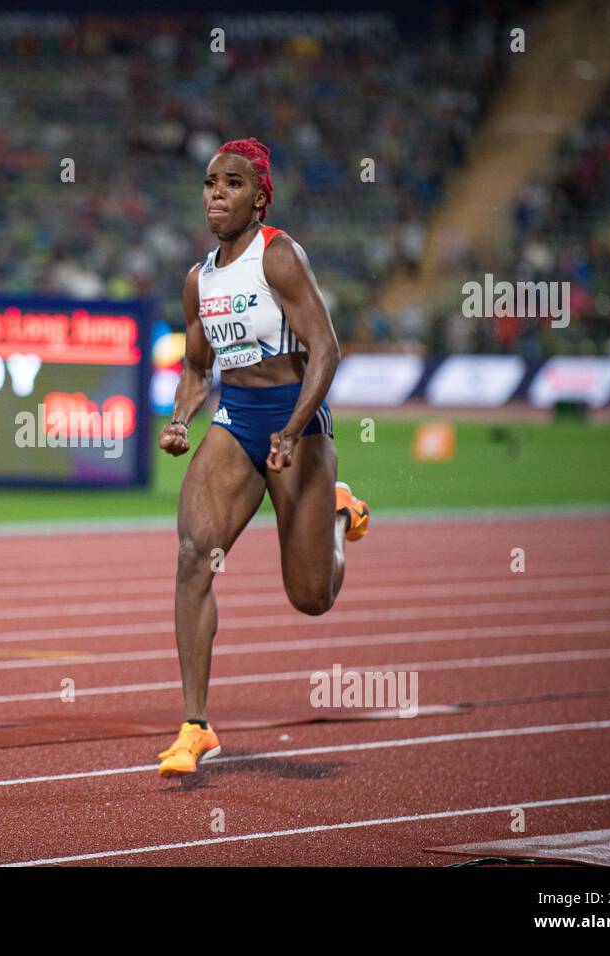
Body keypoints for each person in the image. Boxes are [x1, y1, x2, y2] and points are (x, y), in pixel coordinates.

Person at [156, 137, 370, 777]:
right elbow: (197, 370)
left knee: (310, 597)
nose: (217, 193)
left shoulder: (278, 257)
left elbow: (326, 349)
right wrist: (179, 418)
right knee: (194, 551)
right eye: (210, 183)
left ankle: (336, 513)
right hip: (237, 422)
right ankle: (195, 725)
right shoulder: (199, 279)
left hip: (297, 425)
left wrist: (294, 429)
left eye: (233, 183)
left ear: (260, 197)